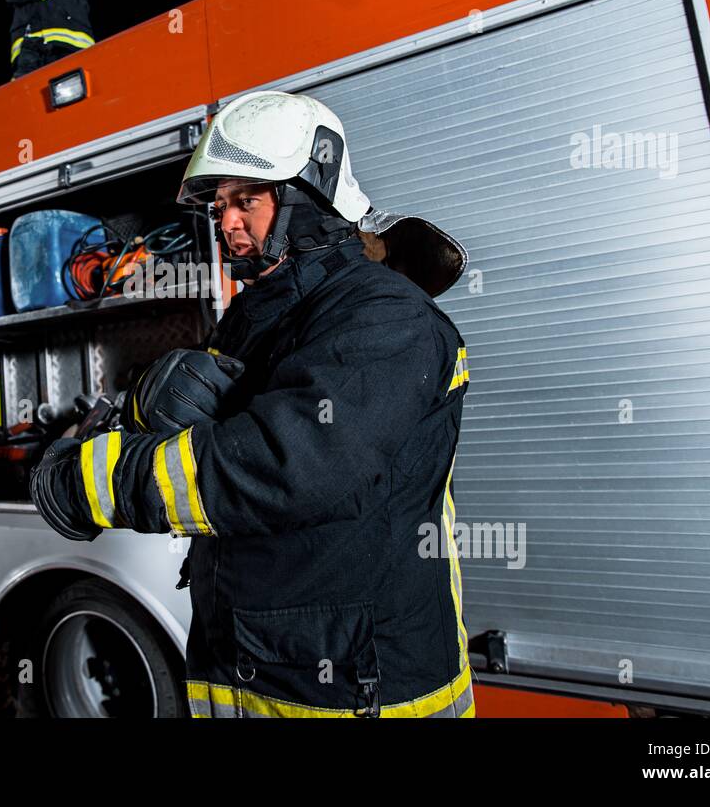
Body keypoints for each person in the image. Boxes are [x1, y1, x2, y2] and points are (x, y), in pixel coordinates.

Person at [29, 90, 473, 717]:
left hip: (355, 690)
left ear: (307, 197)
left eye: (247, 200)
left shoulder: (385, 317)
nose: (226, 221)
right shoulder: (260, 316)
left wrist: (93, 481)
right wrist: (132, 419)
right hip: (252, 669)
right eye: (219, 204)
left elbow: (288, 465)